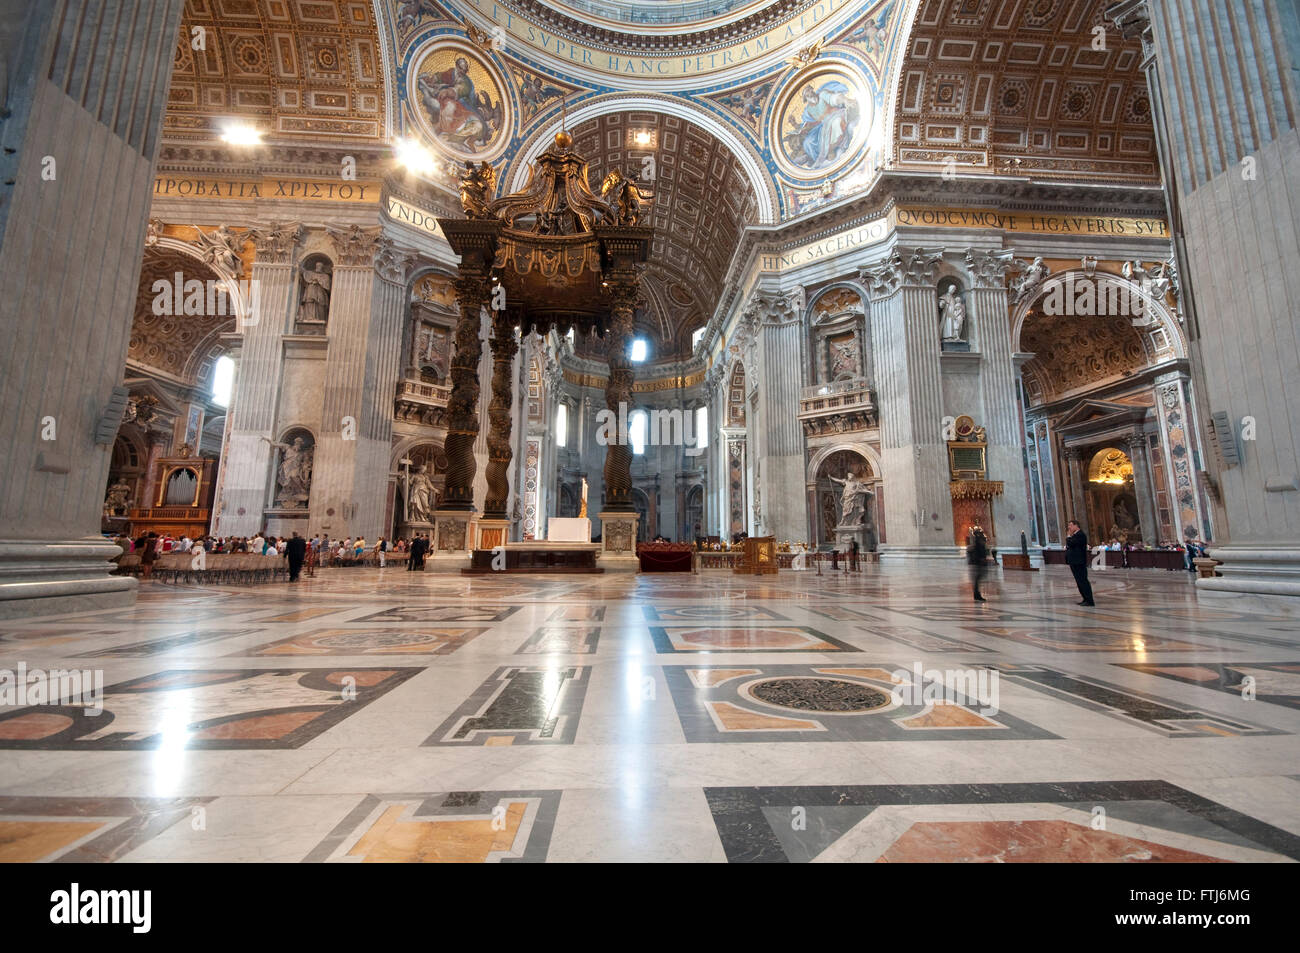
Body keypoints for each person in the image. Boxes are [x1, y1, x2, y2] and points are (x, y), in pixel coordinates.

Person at [1065, 519, 1095, 606]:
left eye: (1070, 525)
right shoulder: (1075, 535)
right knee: (1079, 581)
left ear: (1076, 526)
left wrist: (1069, 537)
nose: (1069, 527)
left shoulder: (1080, 535)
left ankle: (1089, 600)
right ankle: (1085, 599)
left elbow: (1071, 544)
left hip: (1079, 561)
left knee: (1083, 581)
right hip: (1074, 561)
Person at [968, 527, 989, 602]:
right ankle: (977, 594)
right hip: (978, 562)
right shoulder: (978, 540)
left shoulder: (977, 540)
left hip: (977, 562)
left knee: (977, 579)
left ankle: (976, 594)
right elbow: (980, 550)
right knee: (977, 578)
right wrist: (982, 559)